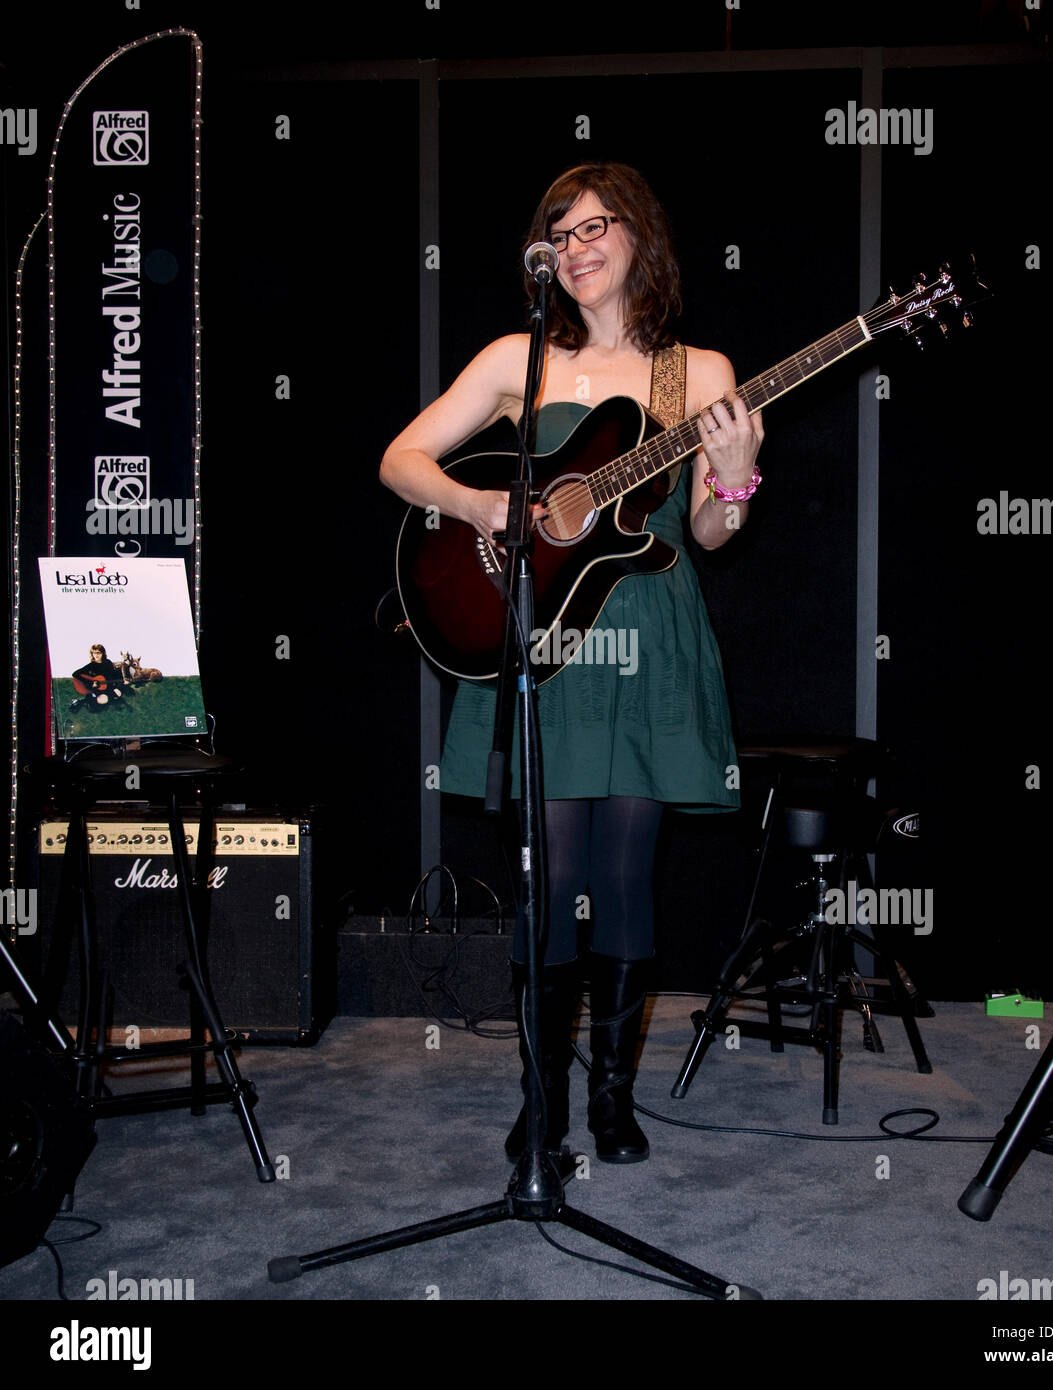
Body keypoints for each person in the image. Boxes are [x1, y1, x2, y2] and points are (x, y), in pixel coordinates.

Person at [380, 162, 763, 1164]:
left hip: (648, 633)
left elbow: (714, 537)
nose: (575, 248)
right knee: (547, 877)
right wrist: (478, 505)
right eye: (559, 234)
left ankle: (612, 1100)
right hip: (541, 631)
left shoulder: (702, 373)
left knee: (625, 875)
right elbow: (402, 457)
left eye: (595, 228)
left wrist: (730, 481)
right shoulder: (520, 359)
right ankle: (539, 1098)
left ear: (640, 236)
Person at [70, 643, 130, 712]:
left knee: (118, 693)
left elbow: (114, 674)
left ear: (102, 653)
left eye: (98, 653)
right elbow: (75, 674)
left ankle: (101, 700)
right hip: (98, 689)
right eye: (94, 653)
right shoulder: (91, 665)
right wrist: (90, 682)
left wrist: (123, 680)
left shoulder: (108, 662)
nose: (96, 655)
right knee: (103, 700)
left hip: (109, 687)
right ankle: (82, 701)